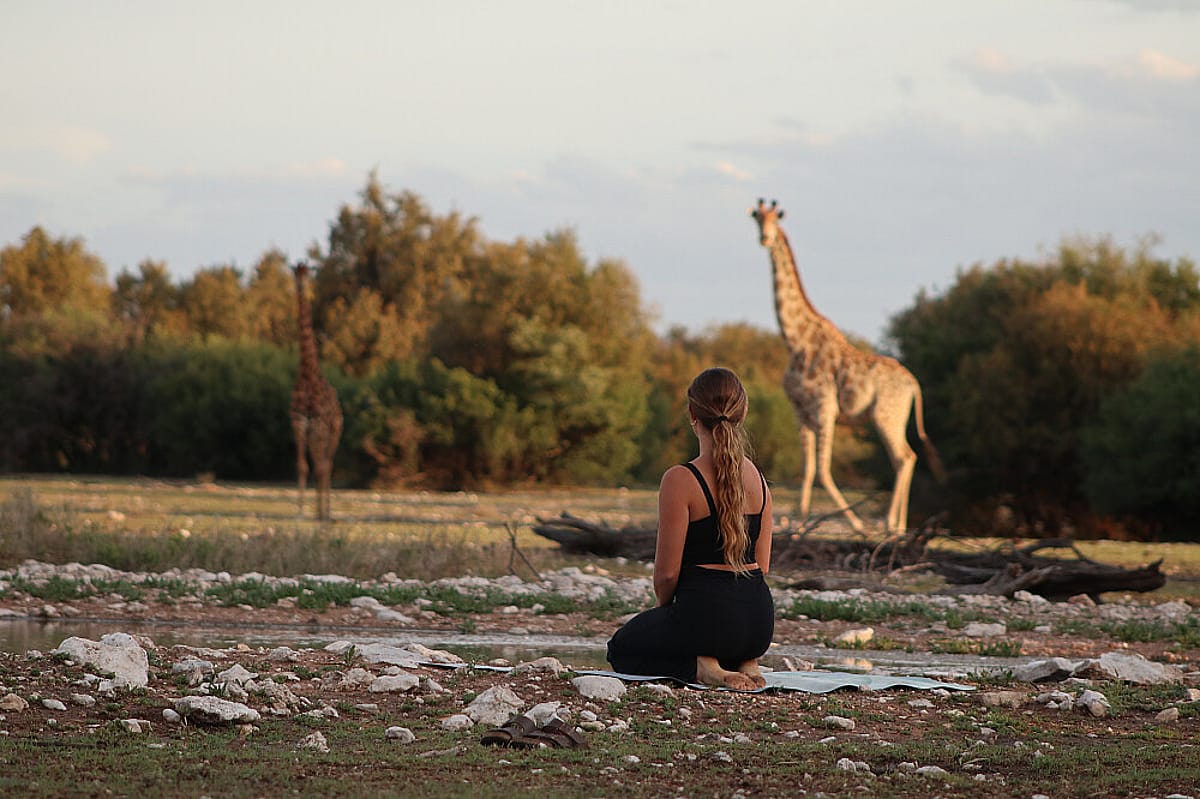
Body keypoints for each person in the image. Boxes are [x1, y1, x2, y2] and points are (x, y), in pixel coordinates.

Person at [607, 367, 774, 690]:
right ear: (743, 413)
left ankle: (703, 667)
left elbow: (667, 575)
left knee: (622, 647)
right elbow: (762, 566)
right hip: (758, 623)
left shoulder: (680, 479)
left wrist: (663, 616)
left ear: (691, 414)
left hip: (705, 618)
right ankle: (745, 661)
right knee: (718, 629)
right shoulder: (759, 480)